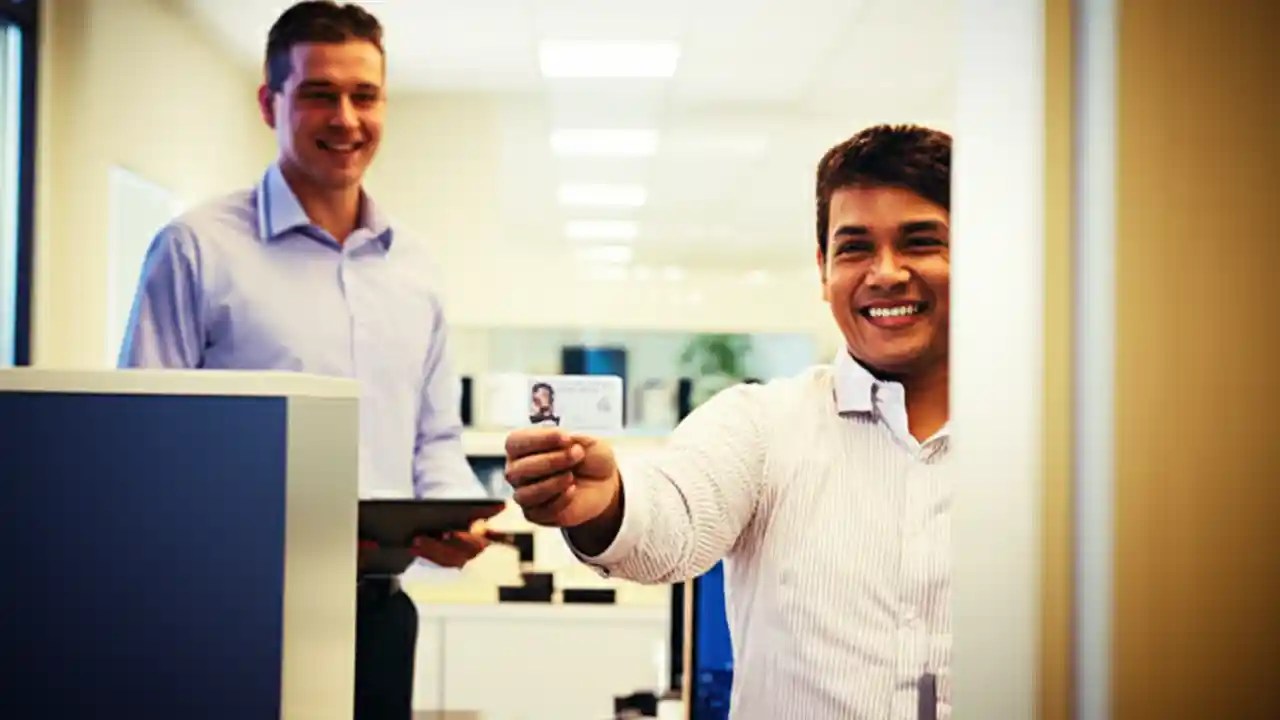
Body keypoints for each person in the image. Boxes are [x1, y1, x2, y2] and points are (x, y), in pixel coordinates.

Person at [503, 124, 953, 719]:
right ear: (823, 270)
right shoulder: (763, 425)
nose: (886, 273)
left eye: (920, 242)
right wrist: (605, 504)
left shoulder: (1046, 447)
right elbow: (673, 516)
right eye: (855, 248)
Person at [117, 3, 489, 718]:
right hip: (232, 610)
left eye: (365, 95)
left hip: (377, 616)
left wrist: (455, 520)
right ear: (270, 103)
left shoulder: (415, 268)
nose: (347, 119)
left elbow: (435, 439)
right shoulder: (196, 249)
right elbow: (150, 451)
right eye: (320, 94)